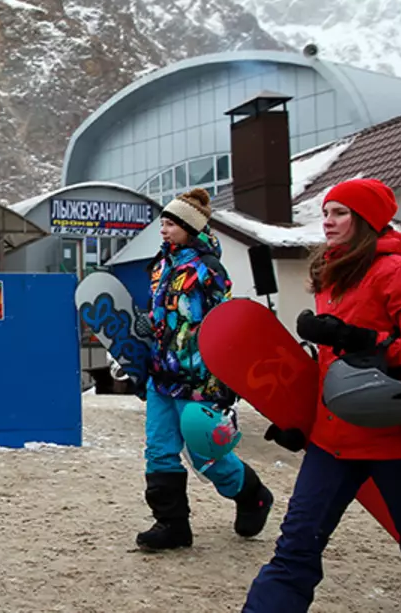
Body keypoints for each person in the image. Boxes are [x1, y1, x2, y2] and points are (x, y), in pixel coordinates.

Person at [243, 178, 401, 611]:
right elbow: (327, 369)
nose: (328, 222)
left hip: (392, 440)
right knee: (295, 548)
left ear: (366, 220)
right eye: (326, 213)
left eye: (340, 213)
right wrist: (299, 421)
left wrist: (357, 337)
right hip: (331, 441)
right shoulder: (331, 274)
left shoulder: (400, 272)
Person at [137, 188, 274, 551]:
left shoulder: (209, 270)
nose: (163, 230)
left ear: (189, 227)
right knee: (159, 450)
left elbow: (223, 324)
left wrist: (226, 377)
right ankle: (171, 525)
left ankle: (252, 495)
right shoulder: (161, 264)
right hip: (161, 374)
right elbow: (164, 314)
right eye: (162, 223)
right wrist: (148, 326)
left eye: (170, 224)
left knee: (205, 455)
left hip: (199, 379)